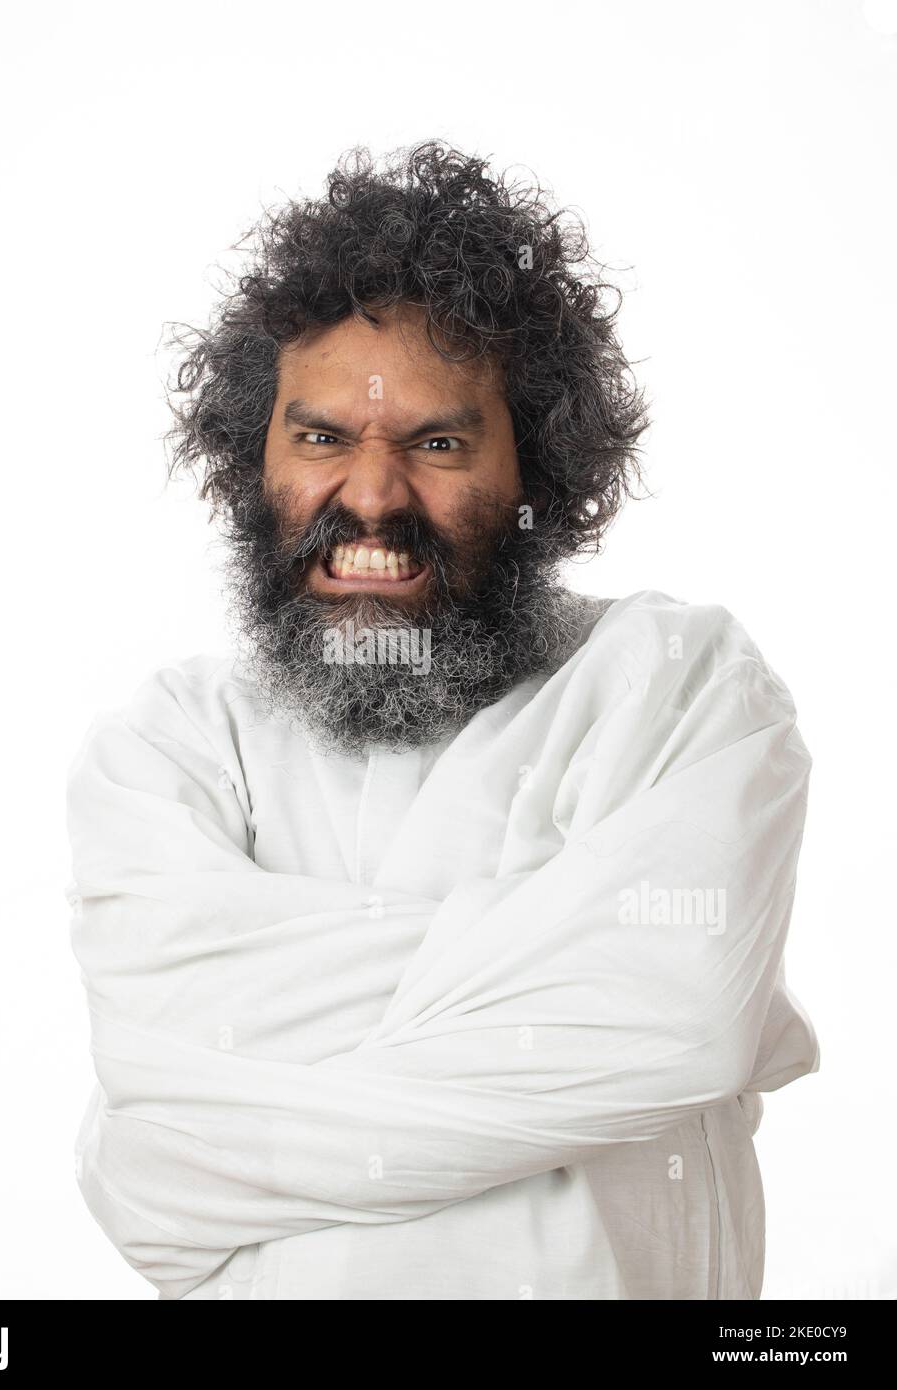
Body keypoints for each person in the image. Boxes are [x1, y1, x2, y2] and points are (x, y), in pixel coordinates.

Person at [65, 140, 818, 1300]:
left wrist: (231, 1102)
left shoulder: (673, 684)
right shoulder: (170, 748)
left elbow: (679, 1023)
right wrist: (560, 985)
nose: (369, 497)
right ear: (249, 456)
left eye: (436, 443)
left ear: (536, 471)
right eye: (320, 437)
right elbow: (145, 1172)